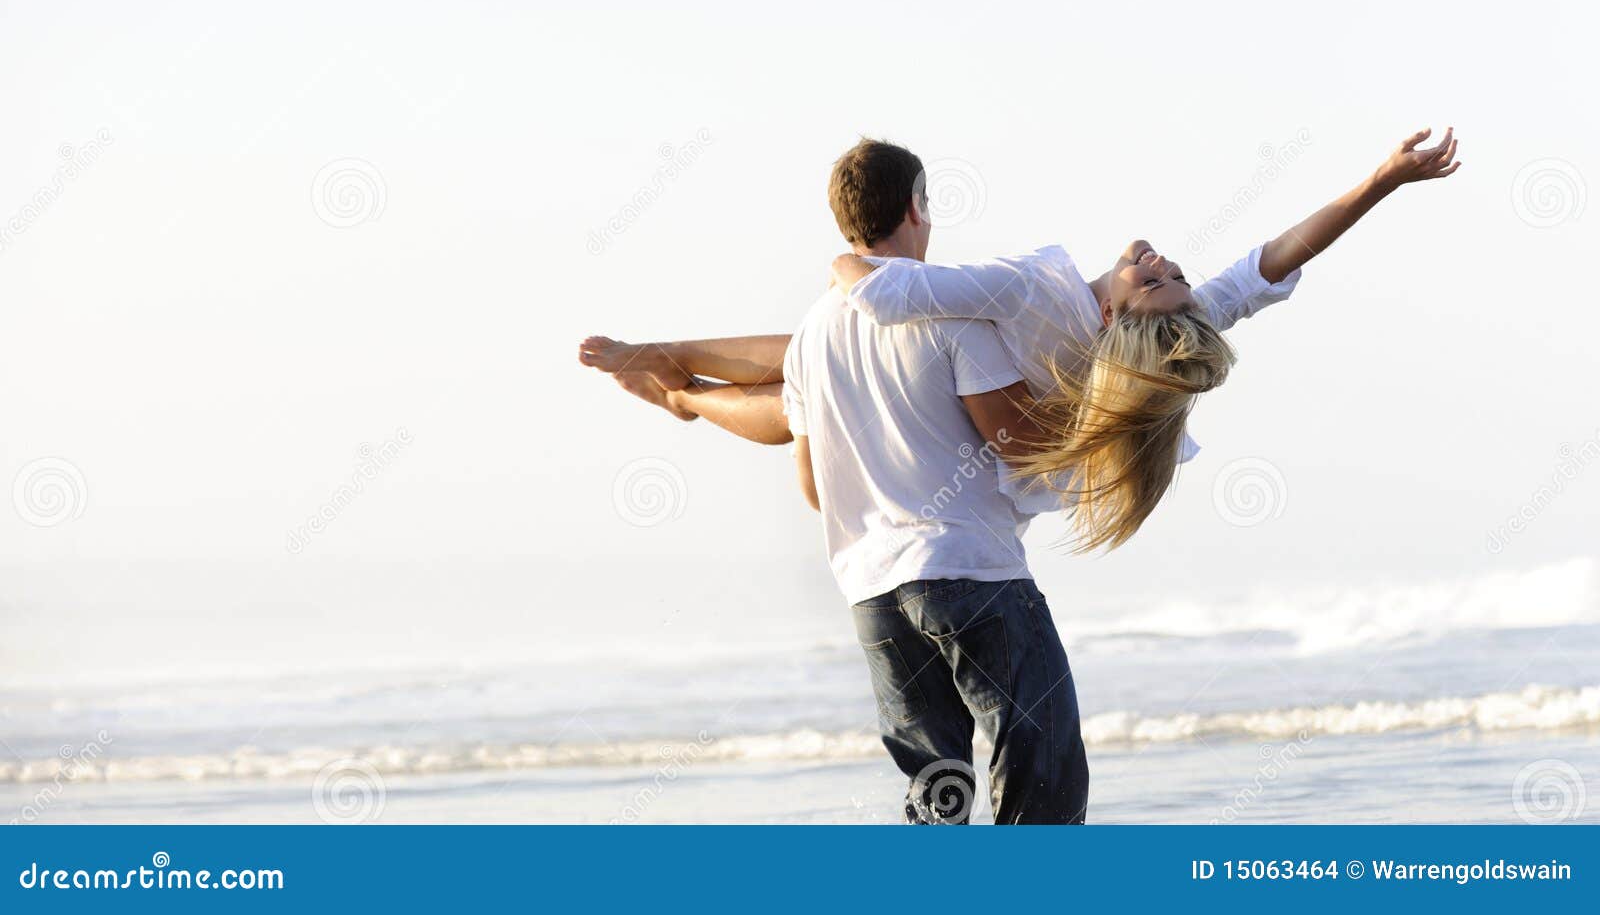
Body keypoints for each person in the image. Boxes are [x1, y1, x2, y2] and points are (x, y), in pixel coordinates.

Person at [580, 126, 1462, 550]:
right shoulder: (1161, 328)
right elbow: (1272, 260)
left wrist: (845, 266)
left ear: (1118, 315)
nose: (1158, 259)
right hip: (959, 410)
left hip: (961, 430)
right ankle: (679, 372)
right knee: (826, 354)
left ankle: (683, 388)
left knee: (831, 341)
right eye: (1171, 270)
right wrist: (1380, 181)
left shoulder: (1033, 292)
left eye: (1151, 277)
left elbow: (877, 293)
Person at [593, 139, 1090, 823]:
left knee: (937, 795)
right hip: (973, 573)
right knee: (1043, 775)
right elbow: (1020, 440)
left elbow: (813, 489)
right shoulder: (948, 312)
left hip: (875, 596)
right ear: (918, 205)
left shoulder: (815, 330)